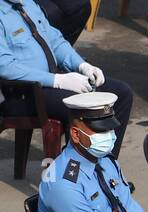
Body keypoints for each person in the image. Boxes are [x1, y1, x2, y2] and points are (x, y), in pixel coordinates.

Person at [0, 0, 131, 156]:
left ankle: (107, 168)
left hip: (54, 81)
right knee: (82, 105)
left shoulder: (28, 4)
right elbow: (6, 67)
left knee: (121, 93)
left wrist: (81, 66)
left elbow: (55, 41)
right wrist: (57, 80)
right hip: (24, 92)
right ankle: (80, 173)